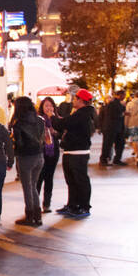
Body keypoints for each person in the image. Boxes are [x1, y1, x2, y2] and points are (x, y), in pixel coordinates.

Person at [52, 89, 96, 218]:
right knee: (71, 180)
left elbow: (64, 124)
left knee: (80, 180)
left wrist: (52, 117)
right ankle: (72, 204)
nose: (73, 100)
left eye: (75, 98)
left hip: (79, 152)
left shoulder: (83, 114)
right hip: (71, 150)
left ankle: (84, 206)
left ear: (81, 100)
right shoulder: (80, 113)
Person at [10, 96, 45, 226]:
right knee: (33, 185)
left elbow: (18, 143)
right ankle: (37, 215)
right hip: (39, 156)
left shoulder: (18, 123)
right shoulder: (39, 120)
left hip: (26, 157)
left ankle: (30, 215)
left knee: (27, 186)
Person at [37, 97, 60, 211]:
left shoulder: (57, 120)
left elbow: (61, 134)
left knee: (49, 177)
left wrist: (54, 132)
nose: (49, 108)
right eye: (46, 105)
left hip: (53, 152)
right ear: (42, 107)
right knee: (39, 177)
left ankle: (47, 204)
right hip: (41, 152)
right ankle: (35, 204)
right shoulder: (38, 120)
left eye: (51, 105)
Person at [99, 91, 125, 166]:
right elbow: (113, 115)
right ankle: (106, 159)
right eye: (124, 95)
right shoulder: (114, 104)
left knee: (112, 144)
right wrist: (122, 114)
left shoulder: (116, 103)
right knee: (109, 144)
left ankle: (113, 159)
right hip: (112, 127)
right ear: (119, 95)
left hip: (114, 127)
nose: (124, 96)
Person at [125, 90, 138, 163]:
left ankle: (137, 153)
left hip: (132, 123)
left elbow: (127, 115)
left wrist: (125, 124)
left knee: (135, 139)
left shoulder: (130, 104)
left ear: (135, 96)